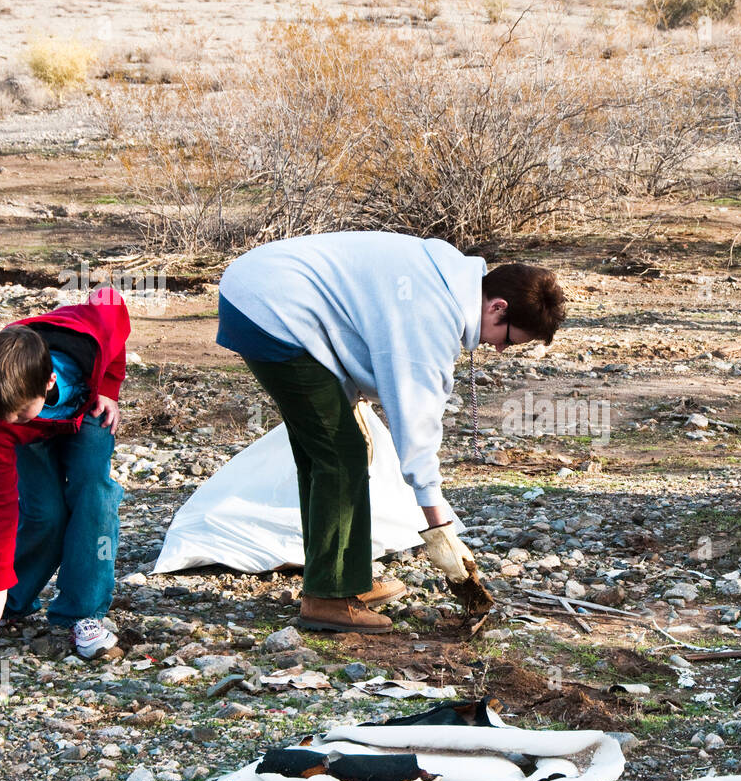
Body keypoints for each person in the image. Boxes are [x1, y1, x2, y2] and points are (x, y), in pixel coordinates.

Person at [216, 232, 567, 634]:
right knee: (339, 453)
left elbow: (353, 331)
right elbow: (416, 425)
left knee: (335, 450)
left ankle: (341, 582)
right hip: (268, 307)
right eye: (507, 340)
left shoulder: (447, 276)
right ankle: (327, 599)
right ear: (497, 306)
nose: (500, 350)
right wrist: (440, 531)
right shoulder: (432, 315)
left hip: (266, 292)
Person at [0, 287, 130, 659]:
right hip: (32, 438)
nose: (11, 423)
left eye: (20, 414)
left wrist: (109, 387)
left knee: (95, 497)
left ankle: (82, 613)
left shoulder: (89, 333)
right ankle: (7, 602)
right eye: (4, 416)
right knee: (45, 512)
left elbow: (111, 301)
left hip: (86, 408)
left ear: (49, 382)